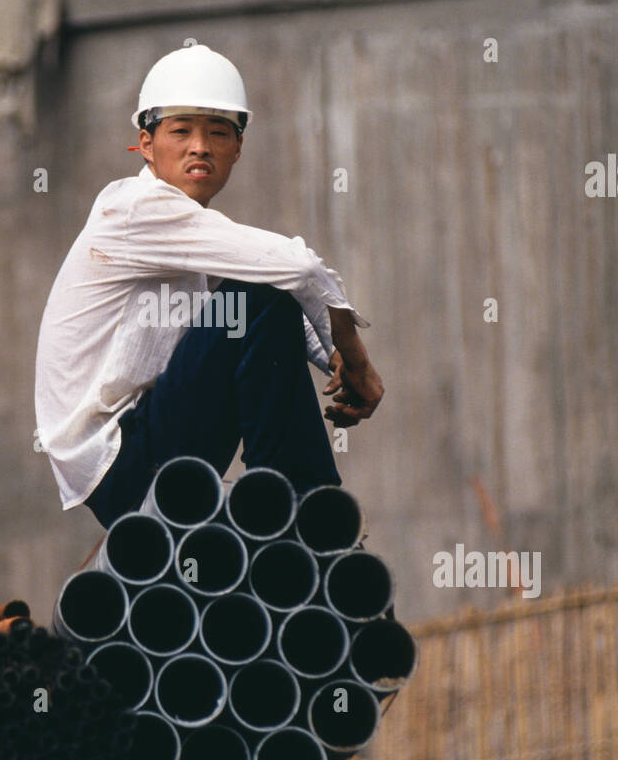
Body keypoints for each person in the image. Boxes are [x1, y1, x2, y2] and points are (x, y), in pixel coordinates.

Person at [34, 44, 384, 529]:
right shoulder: (137, 210)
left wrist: (332, 360)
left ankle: (293, 506)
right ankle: (309, 515)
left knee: (261, 294)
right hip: (123, 462)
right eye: (181, 132)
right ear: (146, 143)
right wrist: (357, 362)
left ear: (237, 148)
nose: (200, 146)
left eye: (218, 133)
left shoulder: (184, 231)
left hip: (149, 451)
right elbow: (299, 270)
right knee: (262, 293)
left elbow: (276, 308)